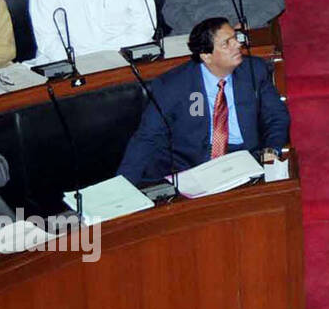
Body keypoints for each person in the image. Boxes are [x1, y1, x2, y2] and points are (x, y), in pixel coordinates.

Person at [116, 16, 291, 185]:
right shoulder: (174, 85)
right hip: (193, 166)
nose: (238, 44)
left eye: (235, 38)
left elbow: (276, 117)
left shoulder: (254, 70)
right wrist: (123, 186)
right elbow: (148, 136)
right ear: (206, 56)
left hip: (245, 158)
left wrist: (271, 149)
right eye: (226, 43)